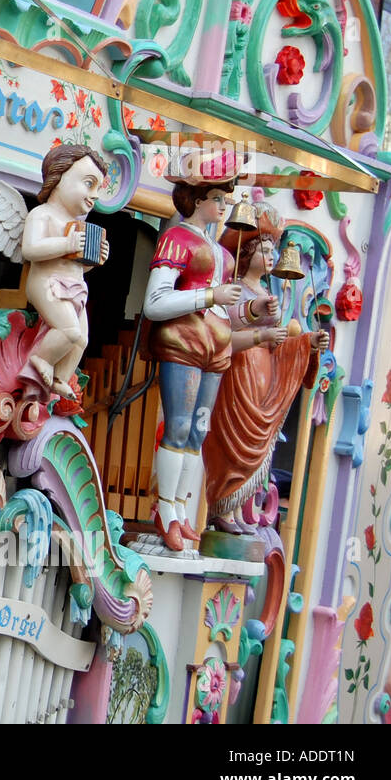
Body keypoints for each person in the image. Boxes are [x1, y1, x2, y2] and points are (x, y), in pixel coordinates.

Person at [202, 203, 328, 532]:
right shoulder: (236, 289)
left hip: (263, 374)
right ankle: (222, 509)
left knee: (254, 441)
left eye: (274, 251)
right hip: (239, 370)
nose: (272, 257)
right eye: (265, 250)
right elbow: (224, 331)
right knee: (231, 438)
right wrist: (261, 328)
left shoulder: (268, 292)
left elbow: (276, 346)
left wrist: (306, 344)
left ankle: (242, 509)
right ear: (247, 253)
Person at [143, 173, 241, 552]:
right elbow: (155, 303)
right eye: (216, 197)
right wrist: (207, 295)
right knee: (179, 426)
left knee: (199, 431)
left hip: (215, 348)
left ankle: (183, 510)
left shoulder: (222, 253)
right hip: (183, 342)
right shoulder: (177, 238)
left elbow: (223, 308)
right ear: (196, 199)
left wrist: (249, 309)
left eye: (225, 199)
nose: (223, 206)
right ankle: (164, 509)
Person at [19, 144, 111, 399]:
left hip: (75, 287)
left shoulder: (78, 226)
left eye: (98, 189)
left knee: (81, 340)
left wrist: (94, 259)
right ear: (58, 179)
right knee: (68, 331)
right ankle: (38, 360)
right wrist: (66, 244)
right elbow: (31, 249)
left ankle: (60, 377)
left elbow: (76, 262)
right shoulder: (43, 215)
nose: (95, 195)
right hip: (46, 283)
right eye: (89, 183)